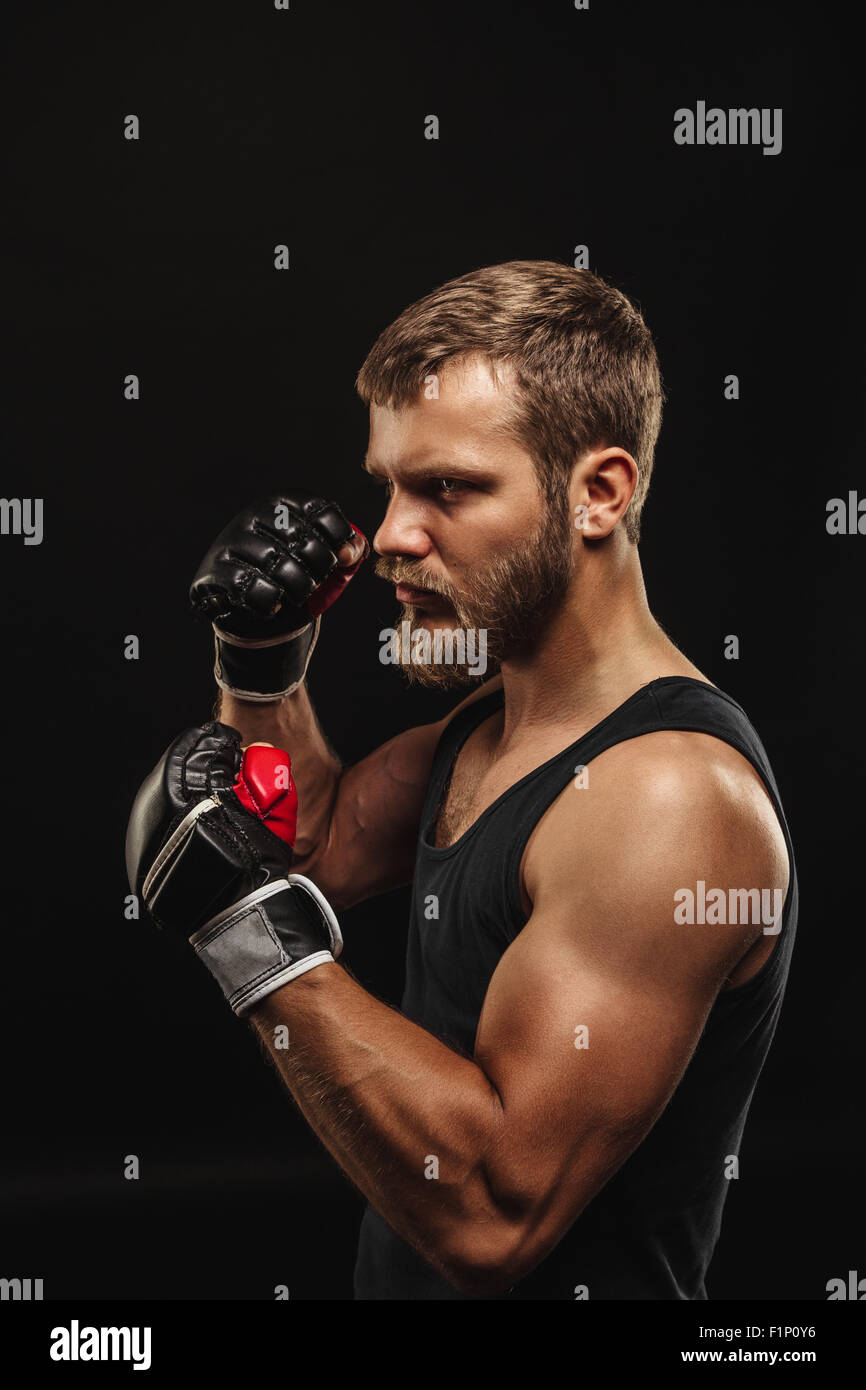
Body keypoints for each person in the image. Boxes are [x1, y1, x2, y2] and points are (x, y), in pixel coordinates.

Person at [127, 260, 797, 1299]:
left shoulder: (663, 798)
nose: (392, 533)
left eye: (446, 487)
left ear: (597, 492)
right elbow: (308, 849)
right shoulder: (493, 718)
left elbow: (492, 1212)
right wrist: (260, 662)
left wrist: (244, 932)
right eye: (390, 484)